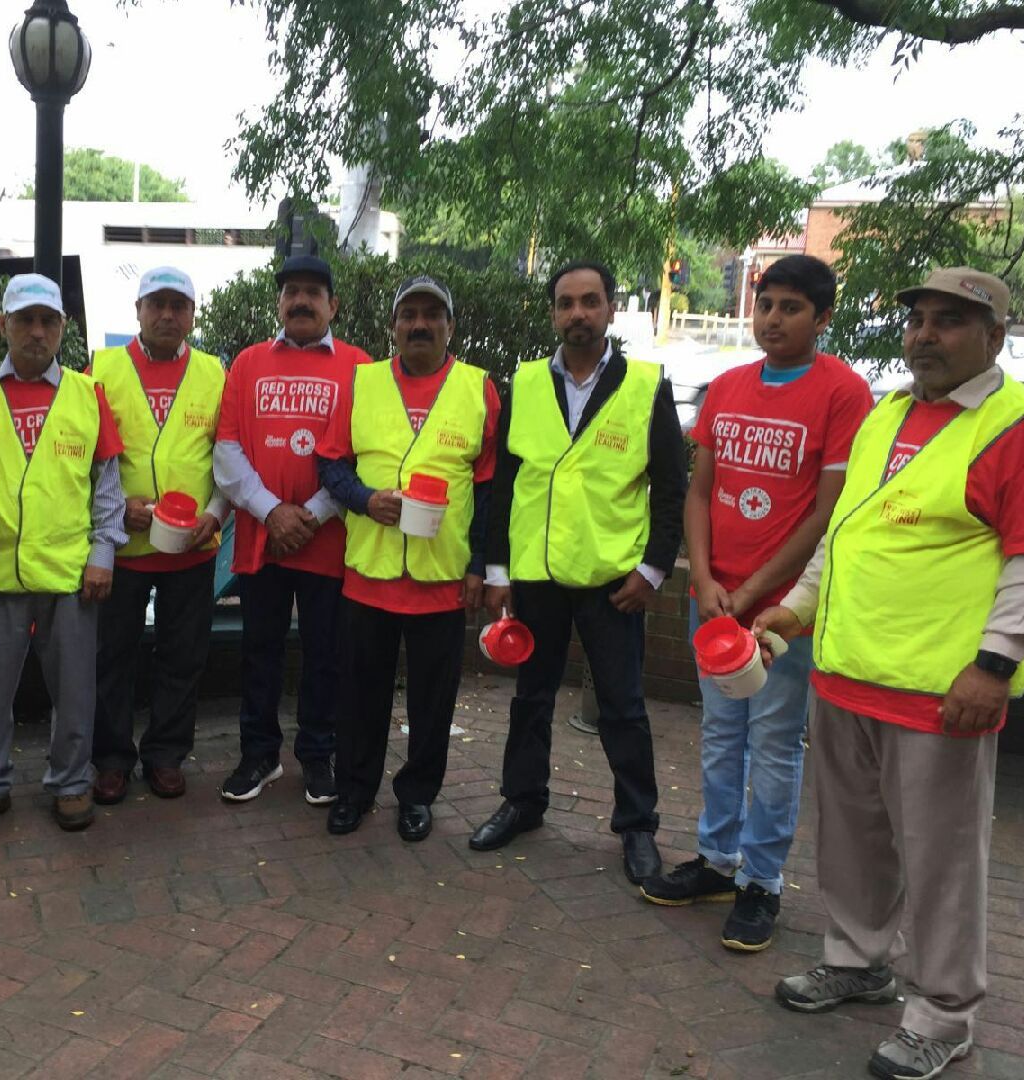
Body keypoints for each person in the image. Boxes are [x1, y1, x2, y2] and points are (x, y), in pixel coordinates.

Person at [754, 268, 1024, 1080]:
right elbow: (846, 534)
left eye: (951, 323)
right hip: (848, 674)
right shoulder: (889, 415)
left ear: (995, 337)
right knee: (853, 842)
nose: (926, 335)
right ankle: (858, 960)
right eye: (919, 320)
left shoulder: (1021, 428)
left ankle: (944, 1011)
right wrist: (796, 609)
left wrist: (995, 667)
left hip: (942, 694)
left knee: (942, 859)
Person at [638, 255, 872, 951]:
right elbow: (700, 490)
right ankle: (716, 860)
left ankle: (762, 883)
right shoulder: (730, 385)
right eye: (766, 304)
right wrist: (705, 580)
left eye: (792, 307)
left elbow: (825, 513)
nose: (773, 318)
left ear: (823, 317)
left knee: (773, 744)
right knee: (720, 735)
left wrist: (752, 590)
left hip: (781, 612)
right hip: (715, 603)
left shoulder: (842, 393)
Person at [477, 261, 686, 885]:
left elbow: (671, 488)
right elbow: (506, 483)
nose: (578, 314)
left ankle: (638, 826)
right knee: (530, 699)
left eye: (589, 302)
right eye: (566, 303)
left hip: (610, 579)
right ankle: (523, 801)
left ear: (611, 309)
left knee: (623, 706)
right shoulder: (527, 383)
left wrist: (652, 570)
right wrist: (496, 569)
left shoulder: (645, 385)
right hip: (537, 575)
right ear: (553, 313)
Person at [316, 275, 501, 841]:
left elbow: (492, 488)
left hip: (441, 578)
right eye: (408, 315)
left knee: (432, 701)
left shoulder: (480, 389)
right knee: (359, 696)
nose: (419, 324)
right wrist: (365, 500)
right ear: (393, 325)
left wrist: (482, 567)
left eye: (431, 314)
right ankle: (353, 789)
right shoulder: (362, 382)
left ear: (449, 324)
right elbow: (330, 464)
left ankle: (417, 795)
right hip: (368, 575)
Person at [0, 275, 127, 837]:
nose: (36, 331)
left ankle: (71, 782)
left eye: (48, 321)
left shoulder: (87, 392)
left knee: (75, 689)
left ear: (63, 329)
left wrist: (104, 551)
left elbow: (107, 485)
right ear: (1, 324)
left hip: (71, 573)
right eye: (24, 320)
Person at [213, 254, 372, 804]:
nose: (300, 300)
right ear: (278, 302)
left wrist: (312, 515)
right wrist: (272, 513)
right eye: (291, 292)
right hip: (264, 538)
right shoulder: (249, 363)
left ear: (334, 304)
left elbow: (366, 454)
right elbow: (227, 449)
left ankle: (317, 756)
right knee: (260, 649)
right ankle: (259, 756)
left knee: (326, 653)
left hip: (329, 543)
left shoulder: (360, 367)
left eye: (312, 292)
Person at [89, 267, 228, 803]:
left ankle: (166, 754)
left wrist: (214, 517)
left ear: (193, 314)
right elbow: (85, 456)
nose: (168, 315)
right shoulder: (102, 369)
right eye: (157, 305)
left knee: (183, 657)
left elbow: (228, 457)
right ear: (138, 310)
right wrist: (117, 509)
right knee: (111, 657)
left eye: (179, 306)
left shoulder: (216, 373)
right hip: (122, 548)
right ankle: (111, 759)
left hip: (192, 550)